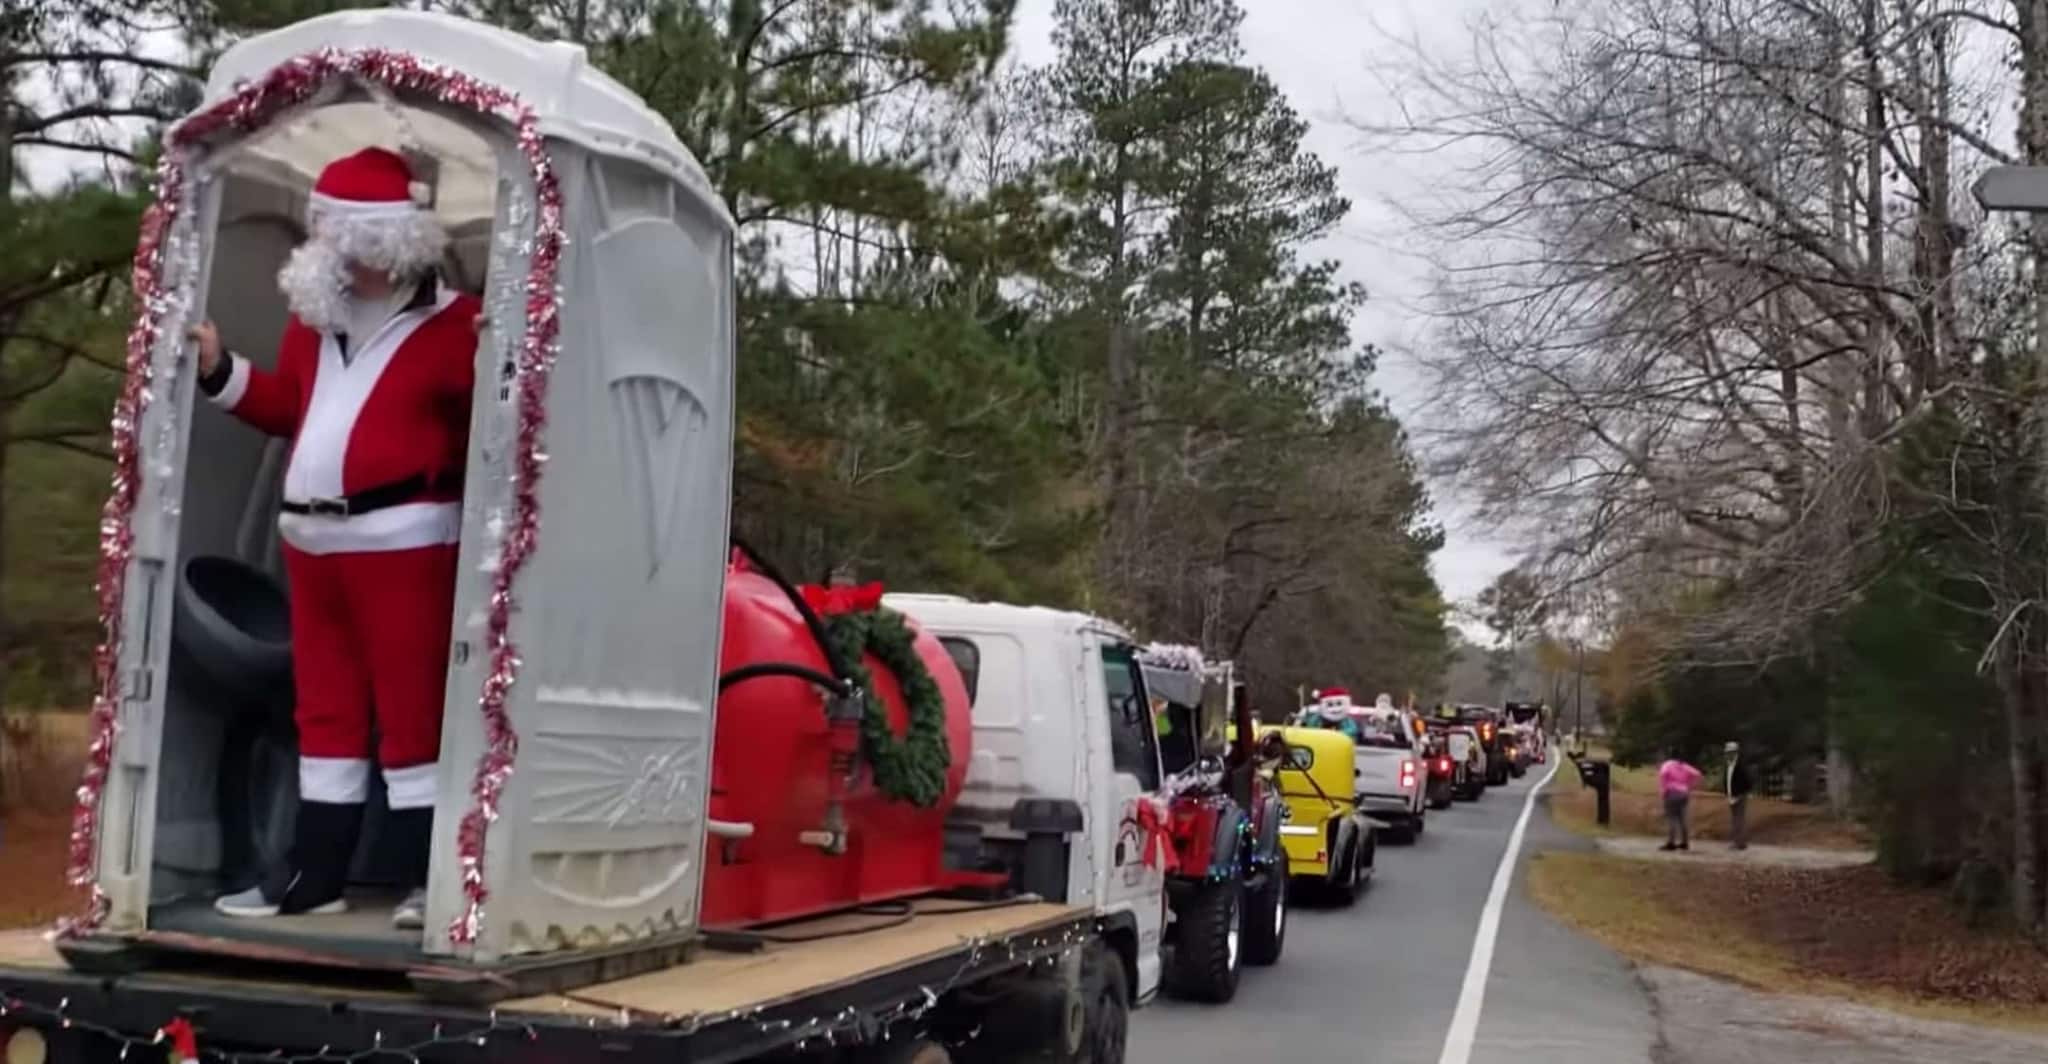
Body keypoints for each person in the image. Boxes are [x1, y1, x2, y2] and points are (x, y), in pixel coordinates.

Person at [192, 147, 479, 930]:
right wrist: (221, 372)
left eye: (349, 239)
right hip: (312, 541)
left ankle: (428, 876)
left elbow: (492, 431)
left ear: (392, 241)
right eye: (328, 239)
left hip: (407, 540)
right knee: (325, 712)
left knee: (412, 711)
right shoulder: (317, 325)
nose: (337, 257)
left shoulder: (458, 326)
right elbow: (290, 410)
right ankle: (316, 877)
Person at [1656, 750, 1703, 851]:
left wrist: (1663, 791)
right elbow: (1698, 774)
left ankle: (1671, 842)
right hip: (1684, 793)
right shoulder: (1684, 766)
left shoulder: (1667, 764)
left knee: (1672, 818)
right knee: (1683, 818)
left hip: (1671, 793)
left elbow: (1663, 775)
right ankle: (1685, 842)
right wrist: (1690, 786)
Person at [1725, 740, 1753, 850]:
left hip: (1740, 795)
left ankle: (1739, 843)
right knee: (1735, 819)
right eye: (1728, 752)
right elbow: (1727, 780)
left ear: (1736, 752)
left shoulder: (1741, 765)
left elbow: (1747, 780)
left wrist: (1741, 793)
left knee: (1739, 819)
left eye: (1731, 752)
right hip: (1731, 795)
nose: (1729, 754)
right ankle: (1738, 841)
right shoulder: (1729, 765)